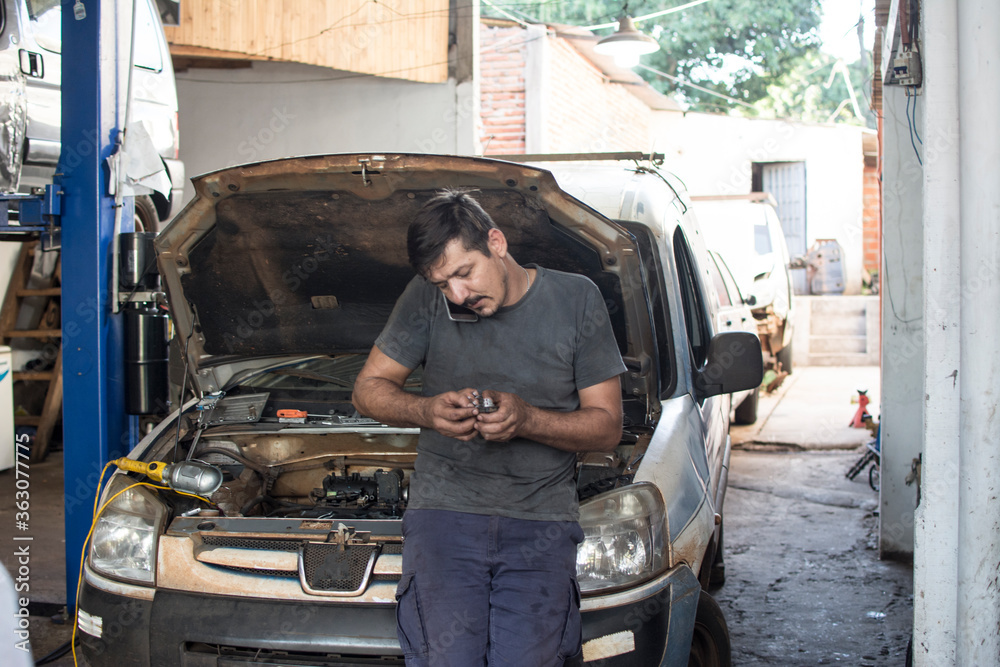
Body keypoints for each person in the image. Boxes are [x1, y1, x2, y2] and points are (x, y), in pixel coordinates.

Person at [352, 189, 625, 666]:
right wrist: (426, 411)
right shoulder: (426, 298)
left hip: (540, 525)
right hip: (444, 519)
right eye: (443, 284)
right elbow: (367, 390)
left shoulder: (576, 298)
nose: (458, 295)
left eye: (464, 273)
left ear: (496, 243)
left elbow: (606, 428)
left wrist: (527, 420)